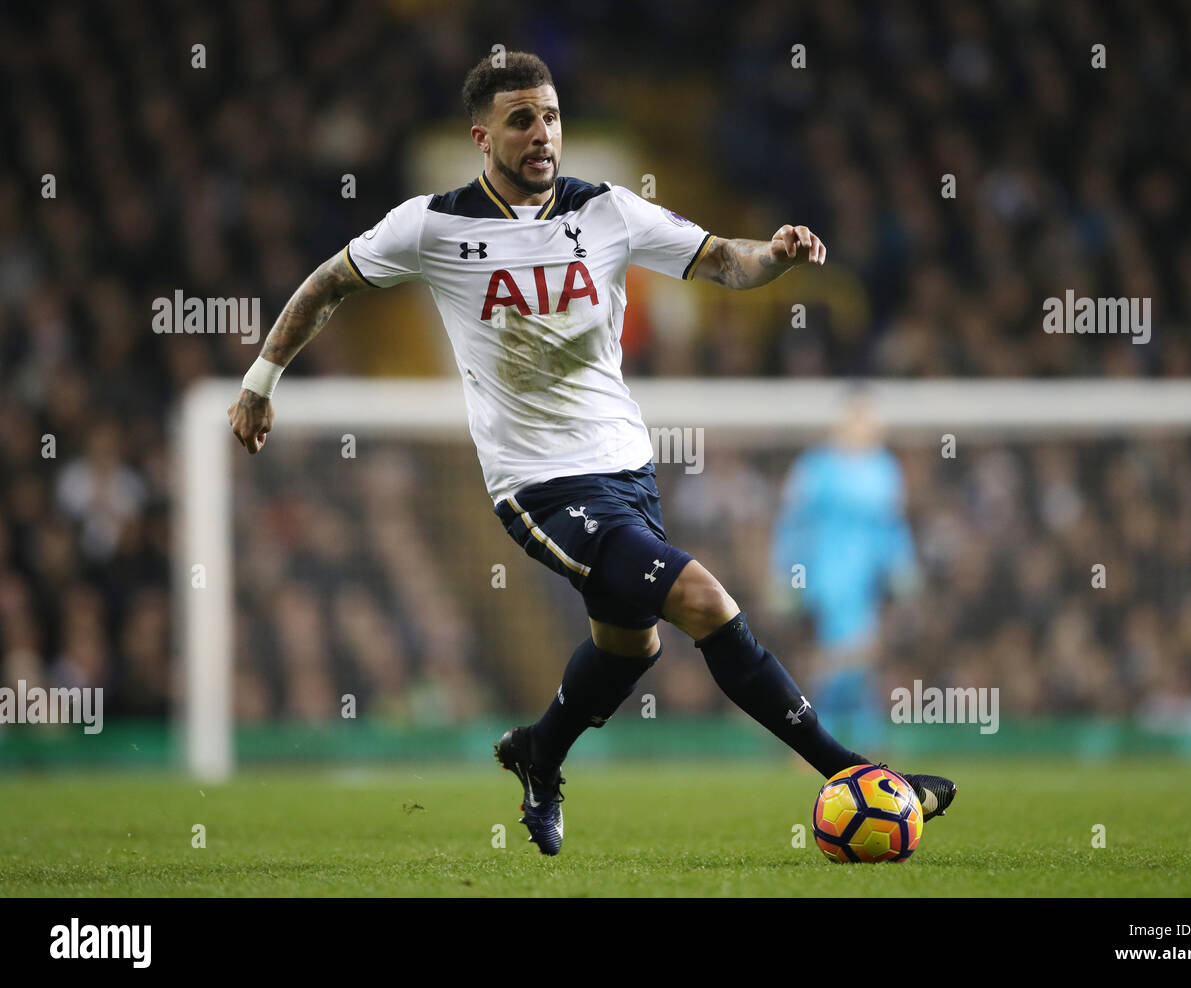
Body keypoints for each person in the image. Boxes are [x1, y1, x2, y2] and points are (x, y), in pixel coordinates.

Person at [227, 51, 955, 855]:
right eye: (521, 120)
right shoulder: (430, 226)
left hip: (626, 468)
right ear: (481, 136)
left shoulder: (608, 211)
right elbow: (327, 283)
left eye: (552, 116)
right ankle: (856, 774)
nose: (543, 134)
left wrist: (773, 256)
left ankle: (540, 753)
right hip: (537, 486)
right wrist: (261, 381)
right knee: (704, 600)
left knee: (629, 647)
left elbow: (720, 258)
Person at [771, 396, 919, 748]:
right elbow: (793, 523)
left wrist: (902, 564)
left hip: (867, 575)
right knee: (849, 649)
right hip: (826, 569)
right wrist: (785, 571)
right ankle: (839, 737)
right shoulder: (815, 467)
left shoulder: (885, 469)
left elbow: (892, 524)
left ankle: (825, 736)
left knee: (854, 656)